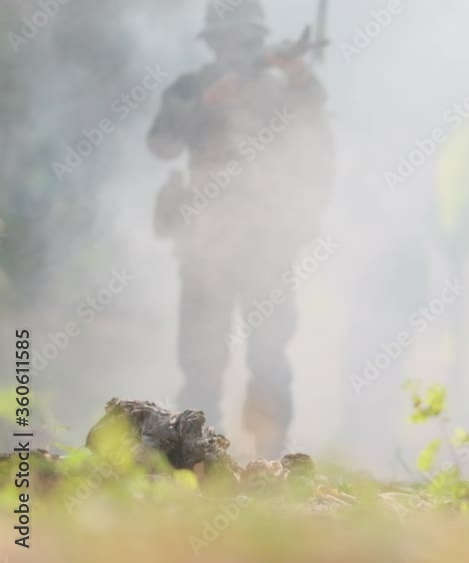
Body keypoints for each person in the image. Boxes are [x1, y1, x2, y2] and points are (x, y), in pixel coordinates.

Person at [147, 0, 333, 457]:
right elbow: (161, 144)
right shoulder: (190, 89)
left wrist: (297, 75)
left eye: (245, 41)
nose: (235, 50)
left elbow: (315, 123)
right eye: (226, 41)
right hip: (203, 244)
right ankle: (193, 458)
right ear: (212, 44)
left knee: (269, 354)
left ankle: (271, 457)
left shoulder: (282, 91)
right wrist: (204, 106)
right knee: (200, 360)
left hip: (267, 243)